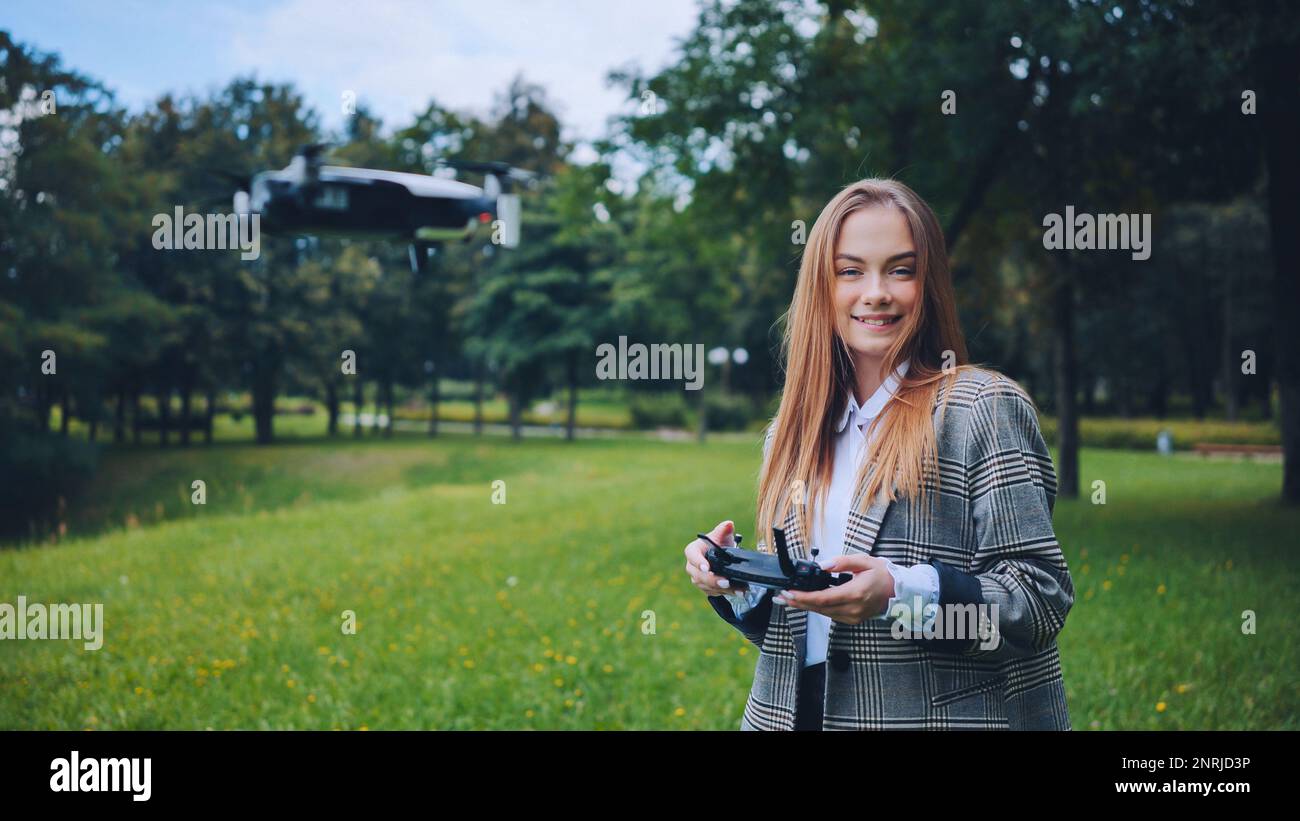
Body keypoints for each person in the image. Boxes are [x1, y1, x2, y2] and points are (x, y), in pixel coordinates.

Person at [684, 178, 1073, 731]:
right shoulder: (789, 436)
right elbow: (800, 632)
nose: (876, 292)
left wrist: (898, 594)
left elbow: (1039, 603)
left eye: (900, 269)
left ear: (928, 282)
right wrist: (741, 583)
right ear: (822, 285)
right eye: (850, 271)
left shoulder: (979, 408)